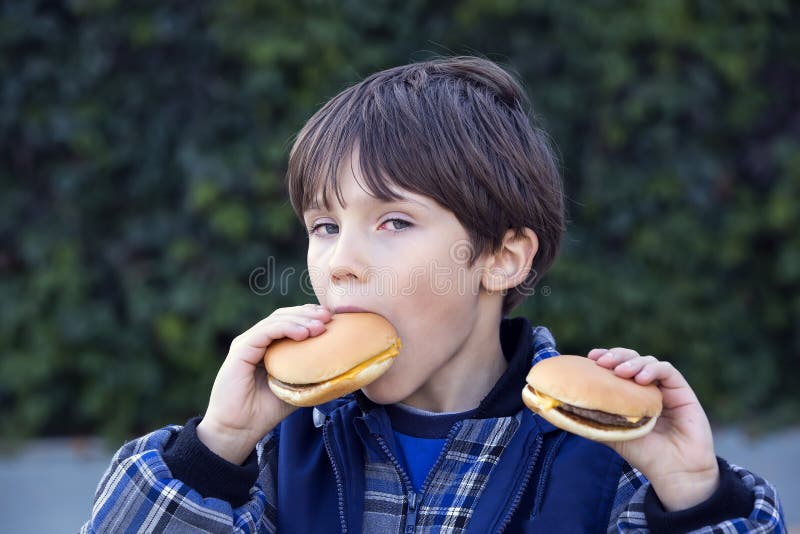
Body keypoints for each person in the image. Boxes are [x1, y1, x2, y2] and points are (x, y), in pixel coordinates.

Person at [81, 56, 785, 533]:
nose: (342, 262)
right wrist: (216, 446)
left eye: (392, 221)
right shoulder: (277, 451)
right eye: (324, 225)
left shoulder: (604, 458)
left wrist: (695, 495)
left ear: (503, 259)